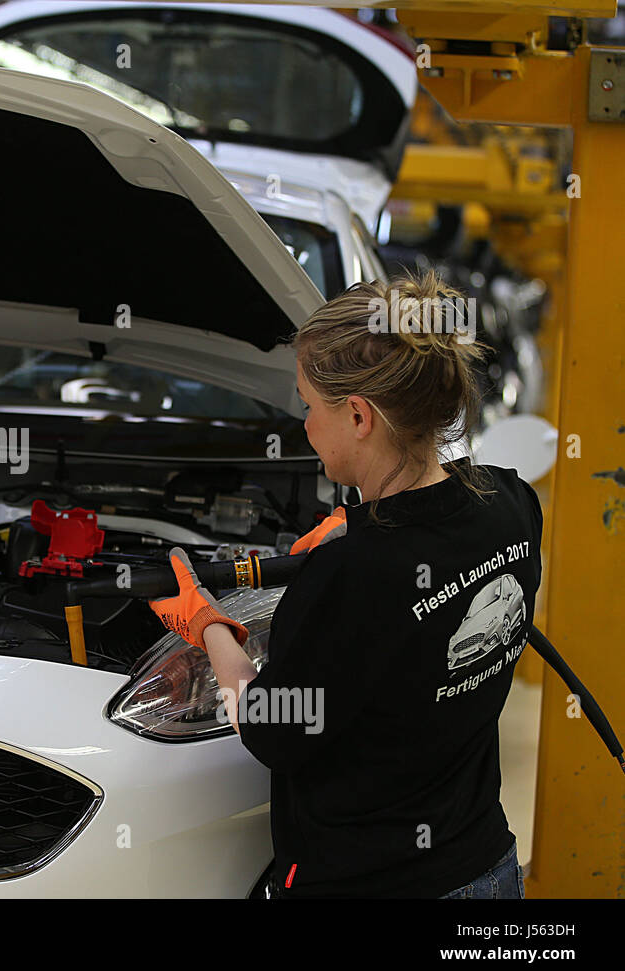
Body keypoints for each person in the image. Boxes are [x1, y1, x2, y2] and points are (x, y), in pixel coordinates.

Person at [149, 270, 543, 898]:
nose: (304, 424)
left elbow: (269, 725)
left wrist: (210, 627)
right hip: (485, 867)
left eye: (309, 405)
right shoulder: (514, 504)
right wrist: (355, 524)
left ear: (359, 415)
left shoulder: (354, 574)